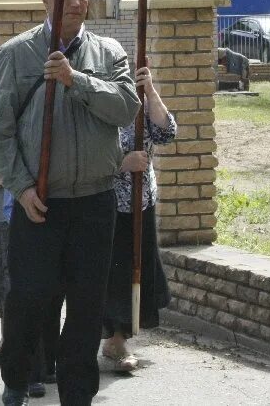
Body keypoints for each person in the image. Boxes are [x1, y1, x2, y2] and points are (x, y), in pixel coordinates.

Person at [0, 0, 140, 406]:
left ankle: (77, 395)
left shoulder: (108, 52)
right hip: (40, 203)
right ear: (46, 0)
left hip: (94, 201)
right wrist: (22, 187)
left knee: (87, 306)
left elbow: (126, 107)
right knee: (29, 299)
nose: (75, 3)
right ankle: (16, 378)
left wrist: (76, 80)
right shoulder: (17, 54)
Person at [102, 65, 175, 373]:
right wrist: (122, 163)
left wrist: (150, 93)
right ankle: (114, 340)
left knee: (139, 269)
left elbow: (168, 131)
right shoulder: (98, 105)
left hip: (140, 201)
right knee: (112, 275)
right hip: (104, 204)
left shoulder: (137, 103)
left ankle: (120, 338)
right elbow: (85, 158)